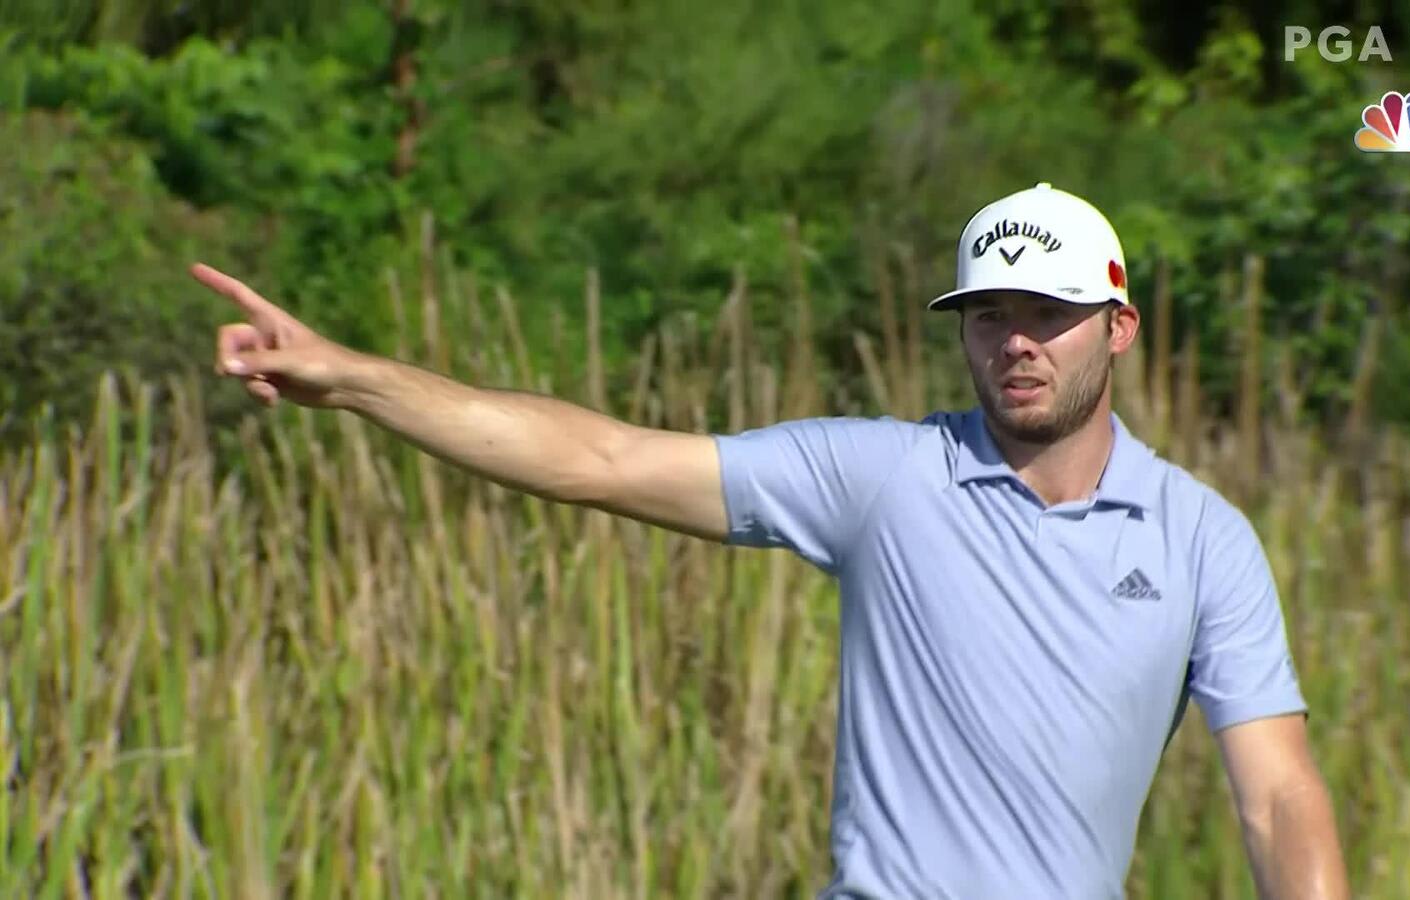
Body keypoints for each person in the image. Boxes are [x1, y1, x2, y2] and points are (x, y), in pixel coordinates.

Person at [204, 182, 1349, 898]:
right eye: (989, 314)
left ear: (1118, 326)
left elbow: (1277, 796)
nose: (1016, 342)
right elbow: (603, 459)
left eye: (1047, 312)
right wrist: (354, 379)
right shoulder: (884, 477)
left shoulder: (1204, 538)